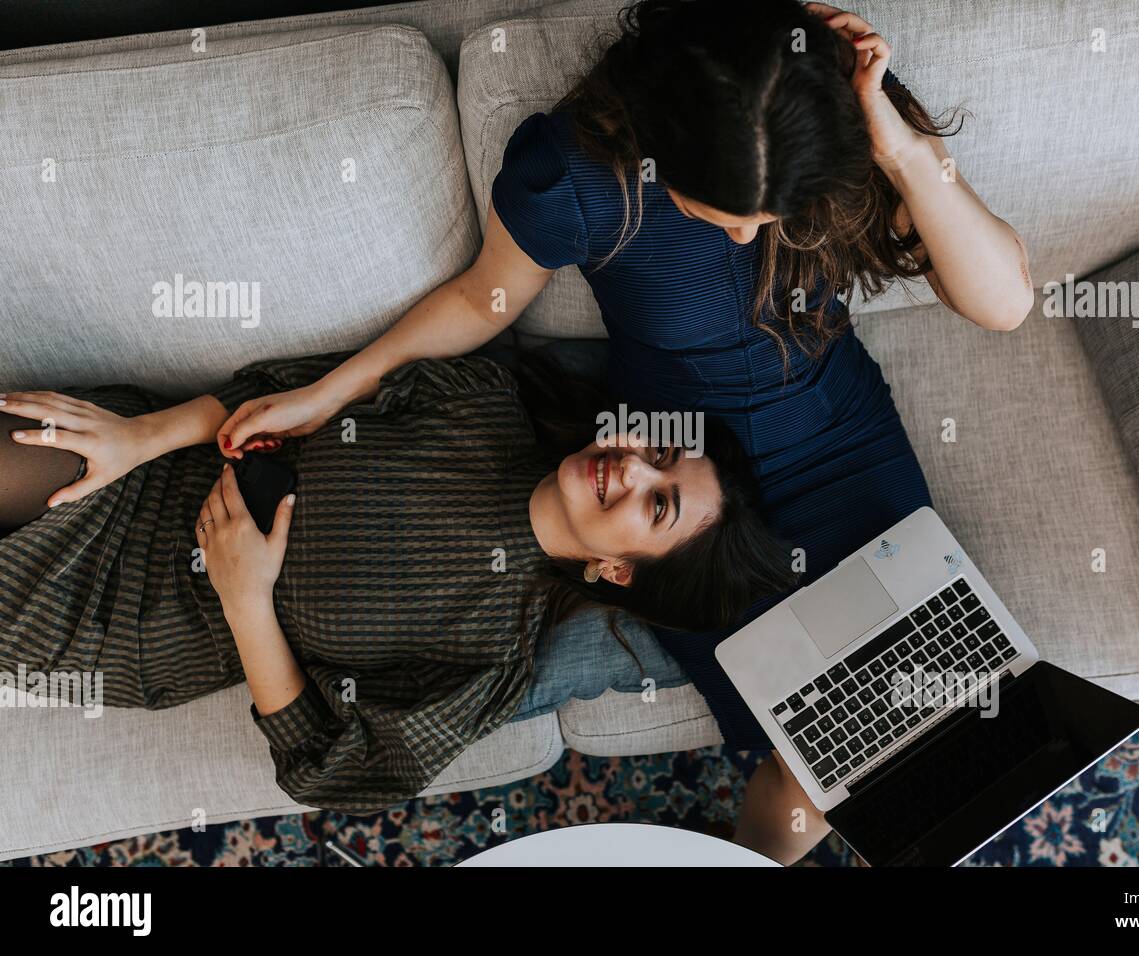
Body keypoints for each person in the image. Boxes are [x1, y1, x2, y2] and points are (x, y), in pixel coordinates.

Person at [71, 0, 1034, 862]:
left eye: (771, 216)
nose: (747, 238)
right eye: (723, 214)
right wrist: (334, 391)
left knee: (857, 749)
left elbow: (1004, 302)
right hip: (679, 470)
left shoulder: (827, 123)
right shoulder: (576, 170)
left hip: (844, 446)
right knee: (799, 729)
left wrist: (900, 147)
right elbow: (481, 299)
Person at [0, 350, 794, 813]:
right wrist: (137, 437)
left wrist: (248, 605)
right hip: (144, 476)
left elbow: (333, 770)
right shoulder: (481, 399)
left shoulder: (493, 658)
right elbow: (284, 388)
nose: (628, 466)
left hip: (134, 624)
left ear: (618, 571)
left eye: (655, 503)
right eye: (655, 451)